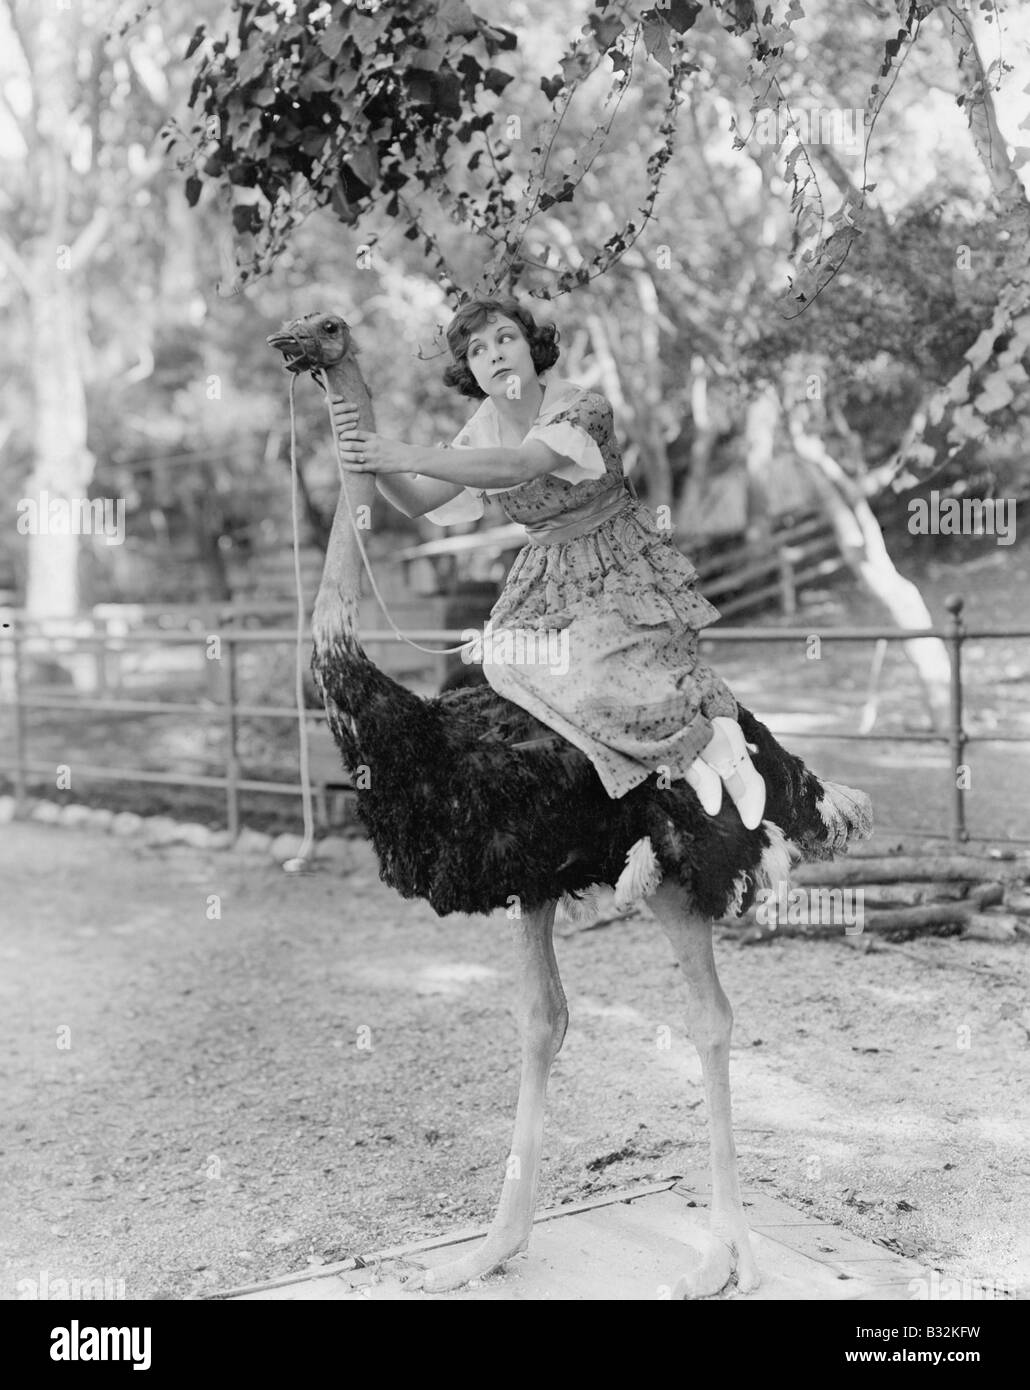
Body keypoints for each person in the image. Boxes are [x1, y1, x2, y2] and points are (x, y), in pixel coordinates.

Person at [329, 295, 765, 827]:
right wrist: (366, 455)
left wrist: (401, 453)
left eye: (505, 338)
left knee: (593, 661)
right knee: (503, 659)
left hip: (615, 560)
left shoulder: (582, 408)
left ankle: (713, 742)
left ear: (532, 348)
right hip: (546, 571)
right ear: (469, 370)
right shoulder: (482, 428)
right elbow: (419, 501)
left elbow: (520, 464)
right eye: (476, 350)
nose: (494, 355)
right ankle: (673, 756)